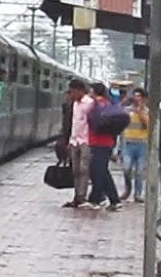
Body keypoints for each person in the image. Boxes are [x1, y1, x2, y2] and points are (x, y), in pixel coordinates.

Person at [86, 82, 123, 211]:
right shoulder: (108, 105)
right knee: (103, 172)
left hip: (98, 142)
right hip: (105, 142)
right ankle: (114, 200)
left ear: (95, 92)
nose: (89, 93)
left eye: (91, 91)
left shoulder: (97, 105)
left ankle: (95, 199)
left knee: (98, 172)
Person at [62, 79, 93, 208]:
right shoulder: (74, 104)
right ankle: (76, 196)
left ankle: (82, 196)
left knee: (83, 169)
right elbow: (74, 124)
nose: (70, 95)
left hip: (86, 141)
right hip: (75, 141)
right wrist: (70, 140)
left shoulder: (90, 104)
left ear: (79, 91)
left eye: (72, 92)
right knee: (75, 170)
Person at [119, 87, 150, 203]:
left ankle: (138, 194)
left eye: (139, 97)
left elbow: (148, 124)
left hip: (142, 144)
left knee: (139, 171)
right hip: (128, 143)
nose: (137, 99)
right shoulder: (127, 110)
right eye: (135, 96)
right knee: (126, 168)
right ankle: (127, 189)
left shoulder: (147, 111)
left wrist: (140, 111)